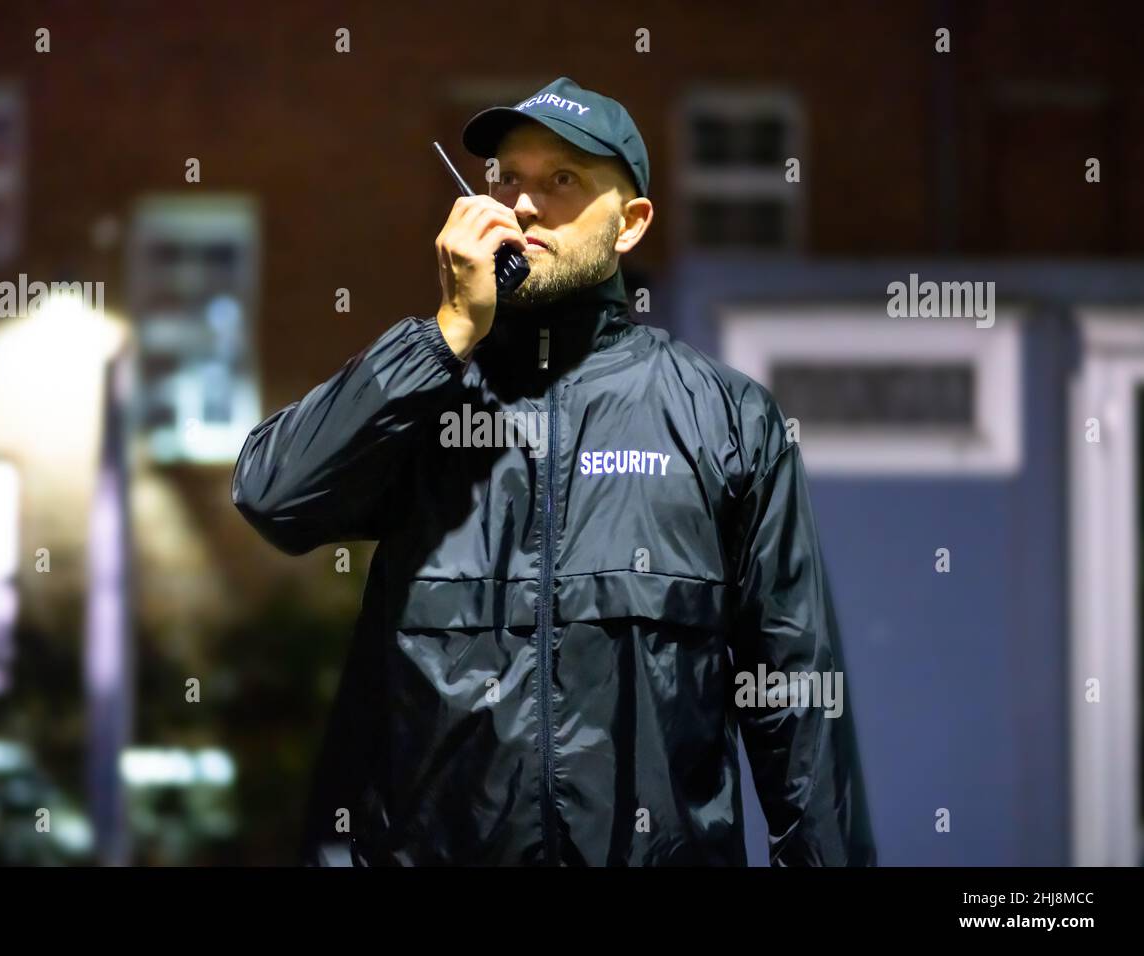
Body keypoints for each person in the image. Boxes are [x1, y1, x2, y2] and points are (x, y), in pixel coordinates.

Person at [232, 76, 876, 866]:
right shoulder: (422, 396)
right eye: (506, 178)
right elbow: (273, 496)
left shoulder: (727, 419)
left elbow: (795, 697)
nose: (523, 206)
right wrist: (445, 334)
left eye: (562, 180)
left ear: (631, 223)